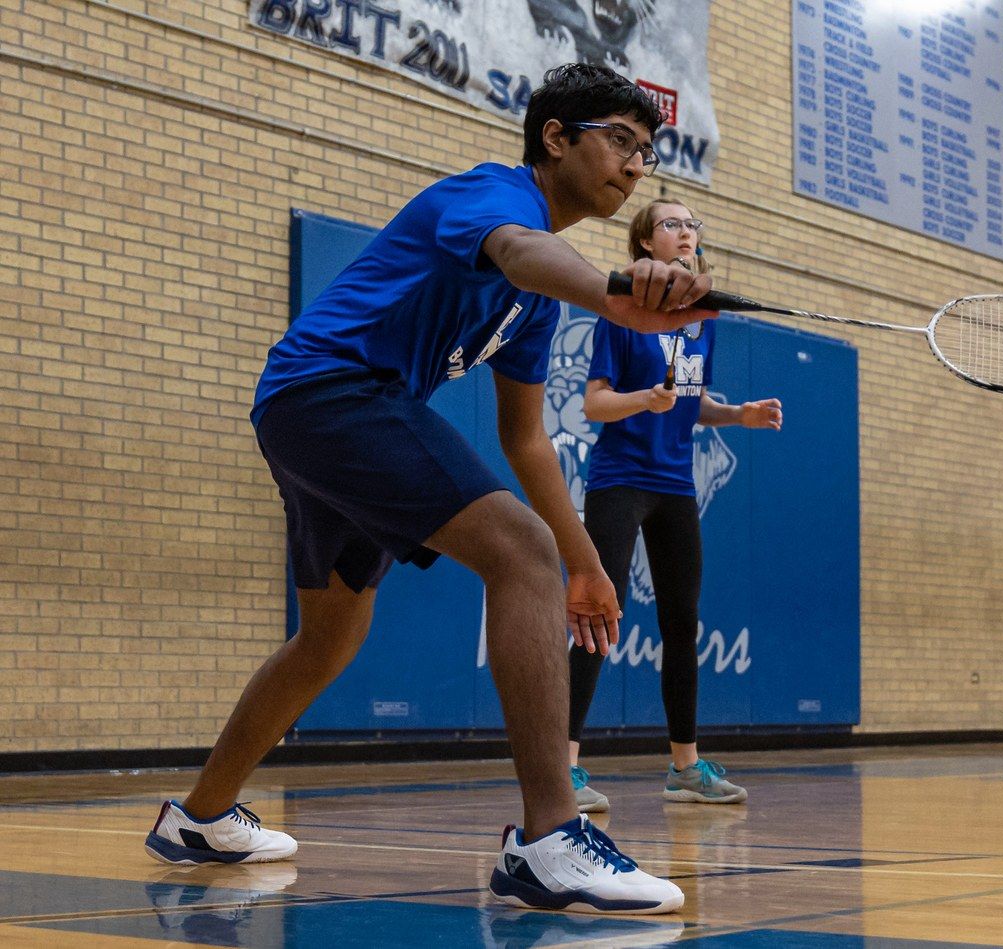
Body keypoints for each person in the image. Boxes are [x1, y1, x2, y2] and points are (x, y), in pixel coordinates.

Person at [143, 63, 716, 916]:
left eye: (647, 152)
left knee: (330, 634)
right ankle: (550, 839)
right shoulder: (489, 197)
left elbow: (526, 442)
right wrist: (615, 294)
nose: (635, 166)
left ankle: (198, 819)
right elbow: (522, 250)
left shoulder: (536, 307)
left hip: (314, 409)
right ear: (554, 139)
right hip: (332, 394)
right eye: (619, 141)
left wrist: (587, 562)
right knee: (517, 550)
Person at [568, 199, 783, 813]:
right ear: (644, 246)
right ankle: (567, 771)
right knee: (596, 621)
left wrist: (736, 415)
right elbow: (595, 404)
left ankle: (685, 770)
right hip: (620, 480)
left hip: (675, 487)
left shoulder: (702, 320)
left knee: (680, 626)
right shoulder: (621, 312)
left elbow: (689, 402)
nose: (686, 232)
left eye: (693, 225)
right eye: (672, 224)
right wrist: (642, 400)